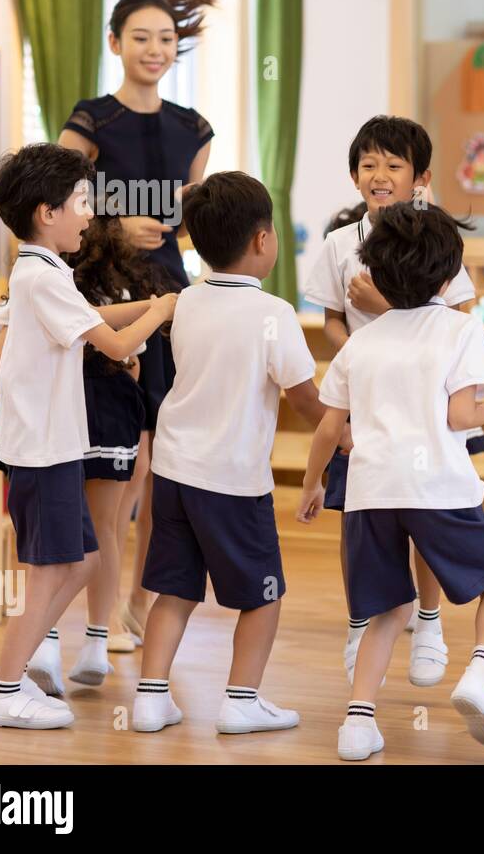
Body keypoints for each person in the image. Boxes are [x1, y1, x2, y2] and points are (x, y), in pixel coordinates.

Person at [297, 202, 484, 761]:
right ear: (448, 276)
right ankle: (478, 676)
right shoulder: (463, 329)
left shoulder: (359, 344)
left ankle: (358, 722)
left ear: (373, 273)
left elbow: (329, 427)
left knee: (387, 611)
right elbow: (459, 416)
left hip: (370, 493)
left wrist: (312, 484)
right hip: (439, 489)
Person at [0, 143, 177, 729]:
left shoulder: (44, 271)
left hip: (53, 447)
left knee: (84, 560)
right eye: (82, 202)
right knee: (51, 573)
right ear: (47, 212)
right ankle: (5, 688)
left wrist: (154, 302)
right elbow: (111, 344)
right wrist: (161, 311)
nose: (90, 215)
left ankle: (9, 670)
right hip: (42, 452)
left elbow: (95, 317)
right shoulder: (40, 276)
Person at [131, 172, 331, 735]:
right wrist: (346, 432)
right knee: (263, 595)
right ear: (264, 241)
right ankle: (241, 700)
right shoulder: (274, 315)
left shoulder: (185, 303)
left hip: (172, 470)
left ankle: (149, 699)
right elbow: (304, 400)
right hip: (234, 482)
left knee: (174, 588)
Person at [59, 0, 218, 645]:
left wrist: (172, 233)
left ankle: (137, 602)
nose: (155, 49)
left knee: (162, 467)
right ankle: (100, 619)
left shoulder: (195, 129)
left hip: (173, 304)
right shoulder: (91, 121)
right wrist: (113, 229)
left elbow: (194, 228)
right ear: (114, 43)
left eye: (165, 39)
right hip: (108, 301)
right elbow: (53, 209)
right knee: (122, 467)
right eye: (141, 37)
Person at [303, 116, 484, 687]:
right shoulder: (339, 244)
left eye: (394, 165)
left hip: (428, 404)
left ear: (420, 177)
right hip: (368, 399)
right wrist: (364, 349)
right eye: (368, 165)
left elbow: (456, 320)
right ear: (355, 176)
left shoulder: (438, 241)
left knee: (429, 514)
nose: (379, 176)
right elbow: (330, 321)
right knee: (354, 512)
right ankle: (362, 623)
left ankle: (428, 623)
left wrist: (385, 317)